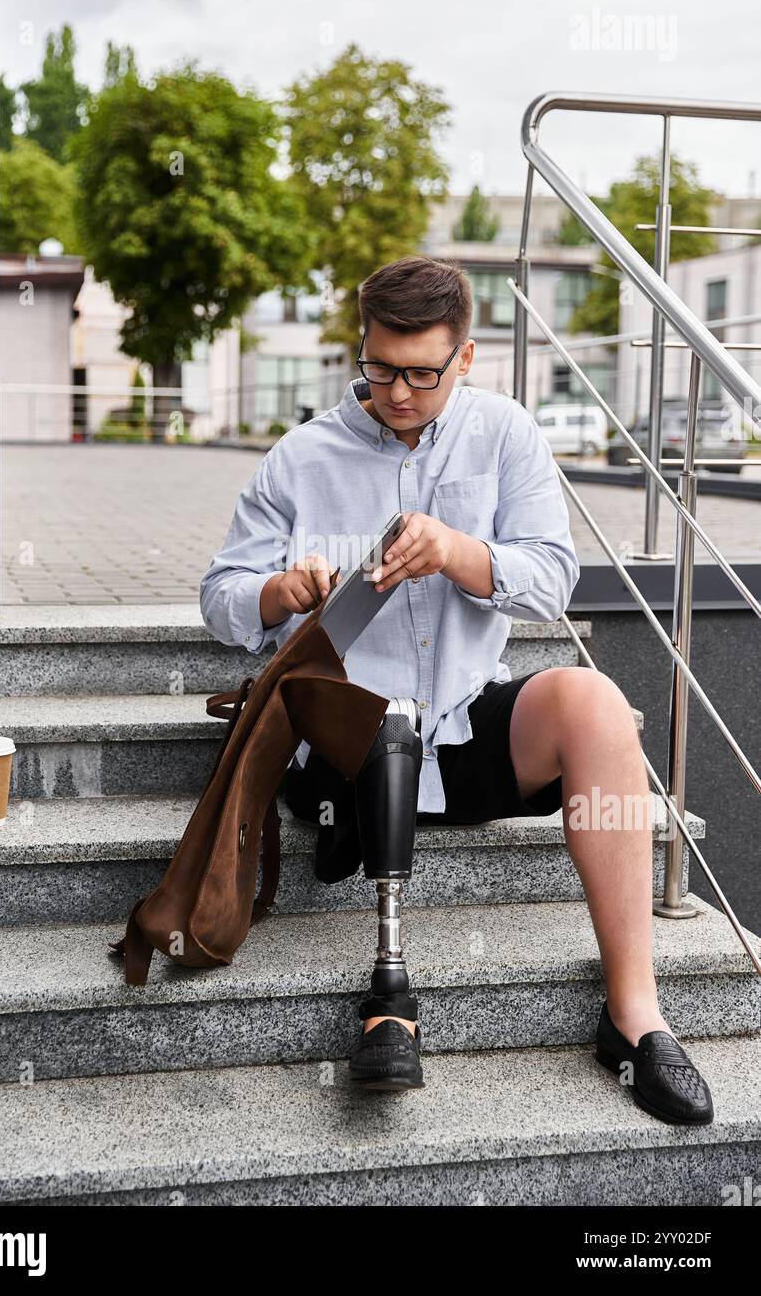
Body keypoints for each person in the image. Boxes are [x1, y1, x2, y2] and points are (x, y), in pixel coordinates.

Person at [199, 254, 713, 1122]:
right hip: (340, 741)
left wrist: (459, 554)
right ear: (360, 349)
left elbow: (553, 578)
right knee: (383, 715)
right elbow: (219, 598)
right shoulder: (300, 457)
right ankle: (388, 990)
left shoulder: (505, 432)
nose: (398, 392)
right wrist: (278, 591)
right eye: (380, 368)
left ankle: (634, 1016)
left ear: (465, 358)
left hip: (465, 728)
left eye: (423, 374)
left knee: (593, 703)